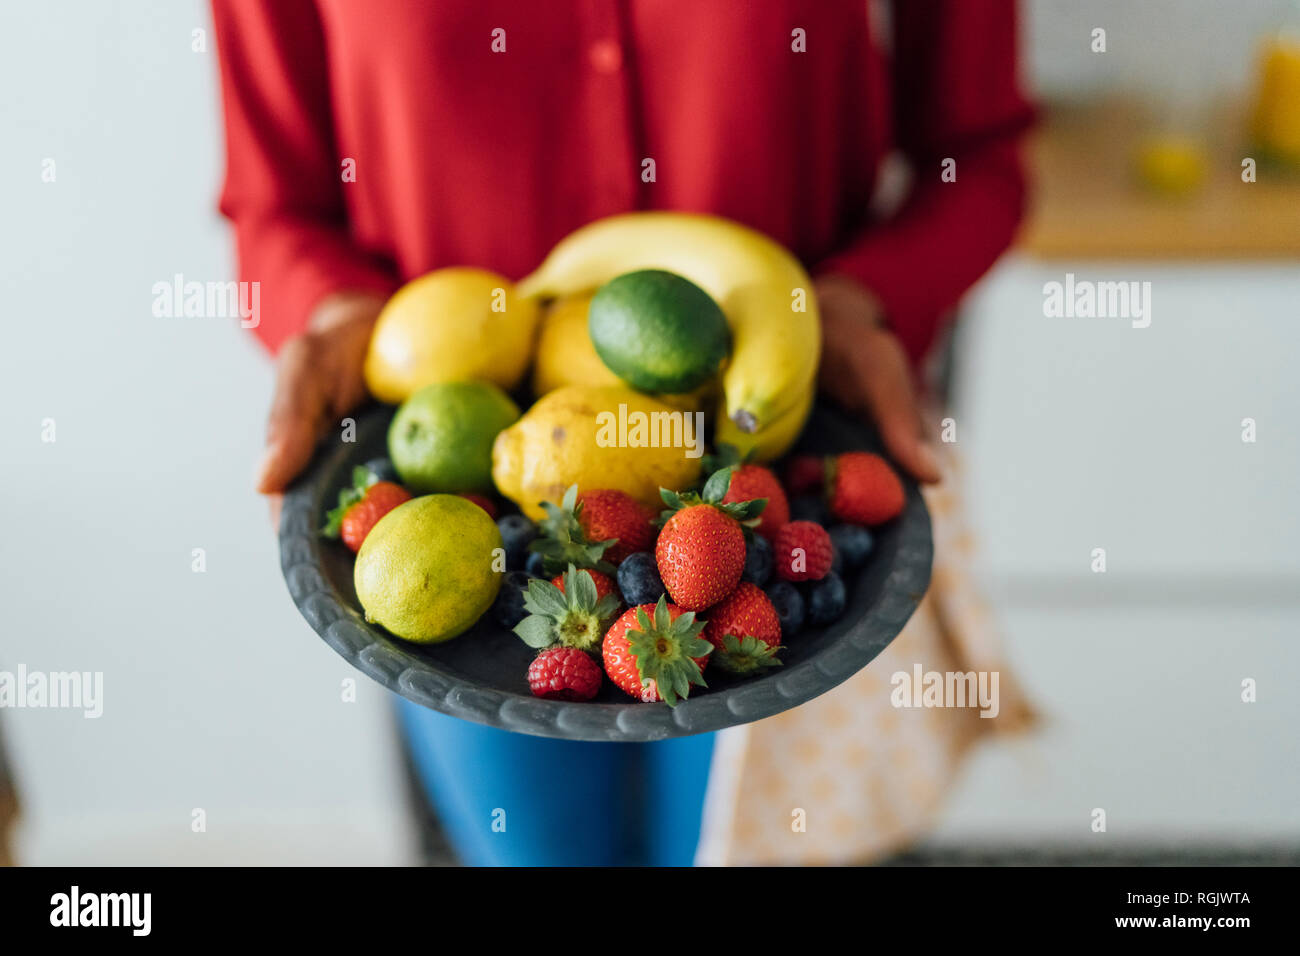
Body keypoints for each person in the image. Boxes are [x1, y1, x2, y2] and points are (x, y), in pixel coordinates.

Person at [214, 0, 1035, 866]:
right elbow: (274, 207)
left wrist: (865, 297)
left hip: (776, 473)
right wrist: (338, 314)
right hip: (452, 496)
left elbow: (980, 160)